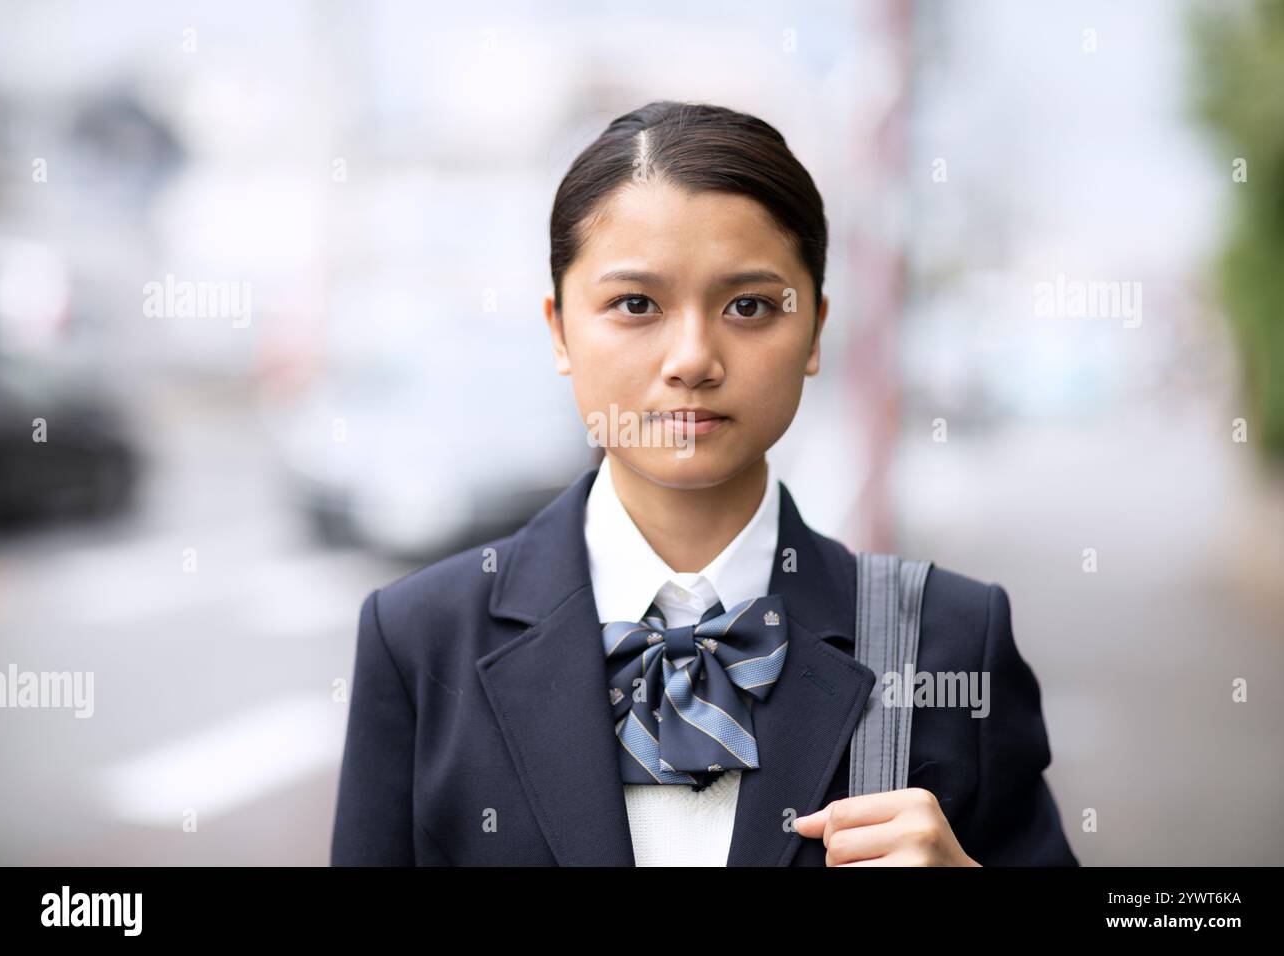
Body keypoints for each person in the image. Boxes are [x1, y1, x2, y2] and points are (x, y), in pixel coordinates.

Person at [330, 100, 1079, 867]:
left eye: (748, 306)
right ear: (559, 329)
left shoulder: (948, 637)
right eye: (635, 304)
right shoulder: (418, 638)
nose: (692, 358)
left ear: (816, 330)